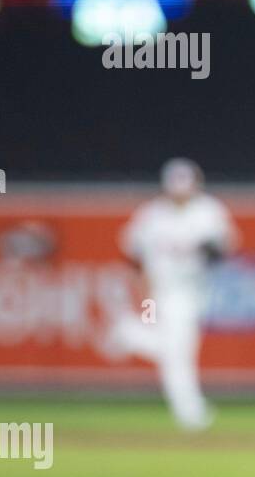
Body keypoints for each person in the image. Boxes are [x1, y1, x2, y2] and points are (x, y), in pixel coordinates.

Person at [102, 159, 238, 431]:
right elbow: (133, 254)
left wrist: (207, 249)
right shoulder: (152, 215)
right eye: (176, 186)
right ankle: (190, 413)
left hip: (195, 289)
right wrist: (143, 287)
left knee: (174, 350)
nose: (180, 192)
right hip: (162, 291)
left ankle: (129, 333)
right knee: (179, 351)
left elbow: (225, 248)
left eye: (185, 186)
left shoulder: (208, 211)